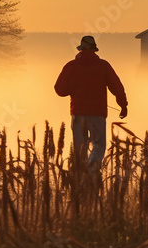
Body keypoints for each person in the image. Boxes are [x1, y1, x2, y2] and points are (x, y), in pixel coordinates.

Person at [54, 35, 128, 170]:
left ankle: (80, 176)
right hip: (97, 114)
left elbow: (59, 90)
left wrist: (73, 90)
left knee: (79, 149)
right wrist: (123, 105)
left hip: (78, 114)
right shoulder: (103, 66)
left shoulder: (70, 66)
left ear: (81, 49)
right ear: (94, 50)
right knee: (98, 145)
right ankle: (92, 168)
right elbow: (117, 87)